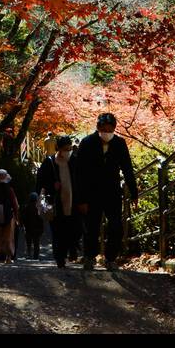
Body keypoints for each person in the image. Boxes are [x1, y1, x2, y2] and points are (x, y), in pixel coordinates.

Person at [71, 112, 138, 271]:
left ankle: (110, 258)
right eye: (104, 128)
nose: (107, 132)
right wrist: (80, 199)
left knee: (116, 226)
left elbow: (127, 168)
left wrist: (134, 192)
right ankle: (90, 257)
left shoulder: (119, 143)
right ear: (98, 127)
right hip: (90, 192)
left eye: (111, 129)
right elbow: (79, 173)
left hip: (112, 192)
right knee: (91, 227)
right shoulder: (87, 143)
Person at [36, 135, 79, 268]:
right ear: (58, 148)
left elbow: (82, 180)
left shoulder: (75, 161)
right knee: (58, 231)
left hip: (74, 201)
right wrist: (51, 186)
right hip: (55, 202)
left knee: (73, 229)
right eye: (65, 149)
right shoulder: (49, 162)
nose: (68, 151)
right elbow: (40, 182)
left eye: (69, 149)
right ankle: (60, 258)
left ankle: (71, 251)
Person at [21, 191, 45, 260]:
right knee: (36, 243)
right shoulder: (39, 208)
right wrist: (42, 229)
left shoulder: (26, 207)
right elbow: (42, 219)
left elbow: (23, 218)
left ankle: (29, 254)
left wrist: (23, 225)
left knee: (28, 243)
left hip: (28, 229)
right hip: (37, 230)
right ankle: (36, 256)